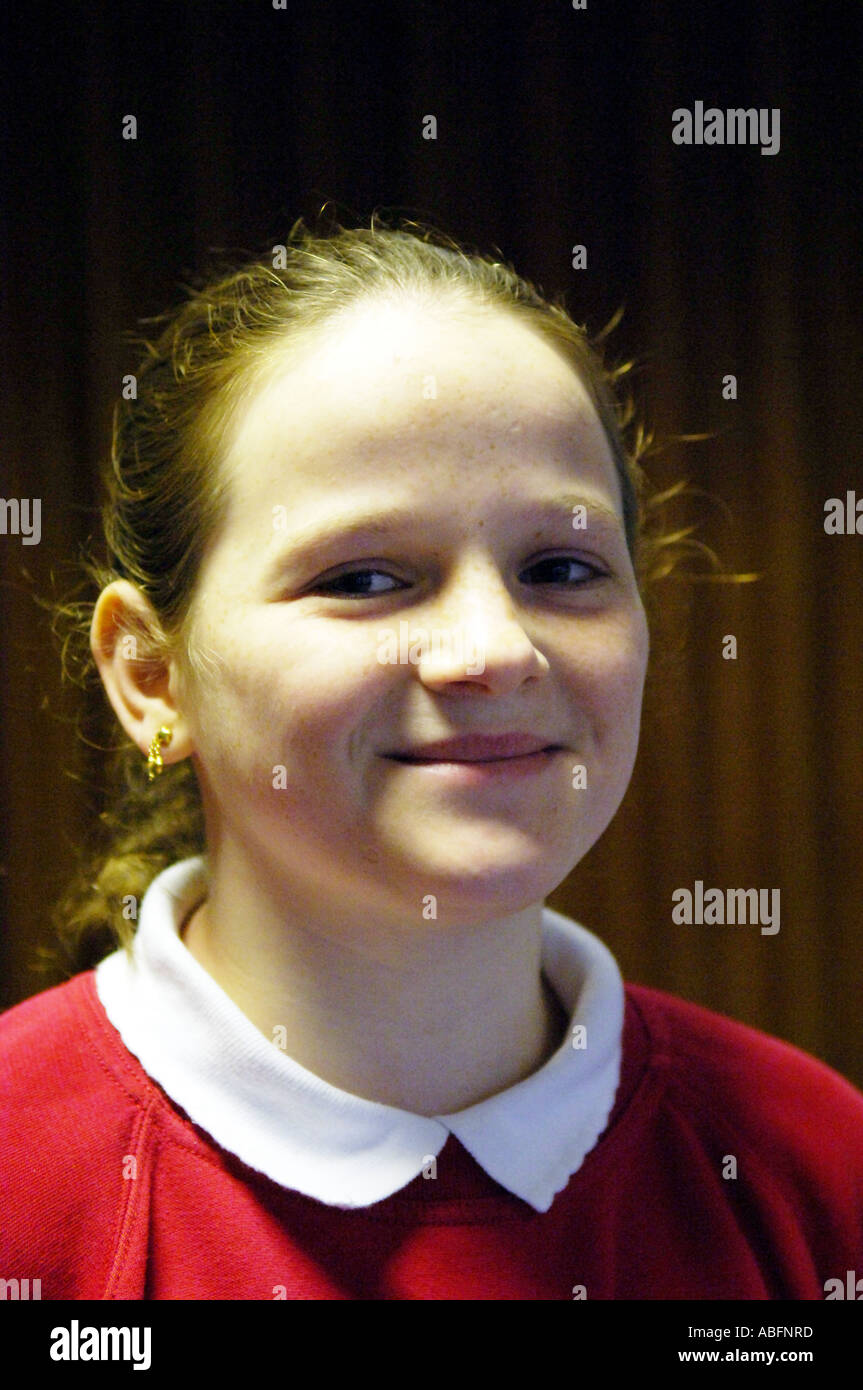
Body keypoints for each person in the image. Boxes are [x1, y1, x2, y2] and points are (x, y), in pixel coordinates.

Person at [1, 215, 861, 1301]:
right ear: (151, 679)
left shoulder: (808, 1159)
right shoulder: (19, 1186)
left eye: (559, 565)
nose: (494, 652)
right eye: (364, 578)